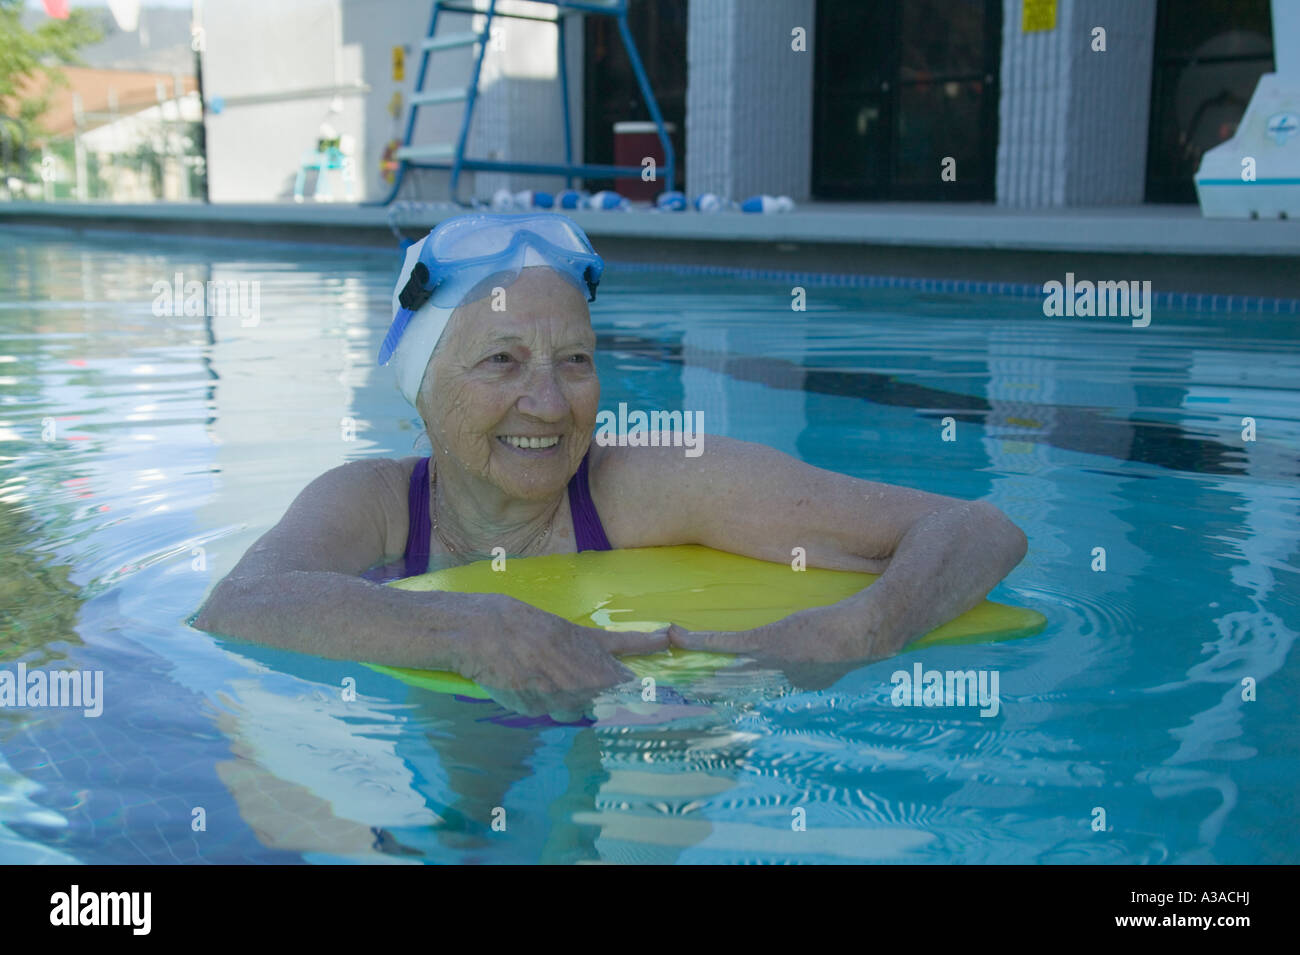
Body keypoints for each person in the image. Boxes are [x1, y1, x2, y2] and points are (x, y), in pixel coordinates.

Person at [193, 213, 1027, 716]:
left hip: (637, 747)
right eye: (501, 362)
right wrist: (477, 628)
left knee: (665, 740)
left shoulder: (649, 483)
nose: (550, 406)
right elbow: (240, 603)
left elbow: (977, 527)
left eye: (577, 361)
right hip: (425, 741)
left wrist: (856, 631)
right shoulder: (374, 504)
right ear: (420, 392)